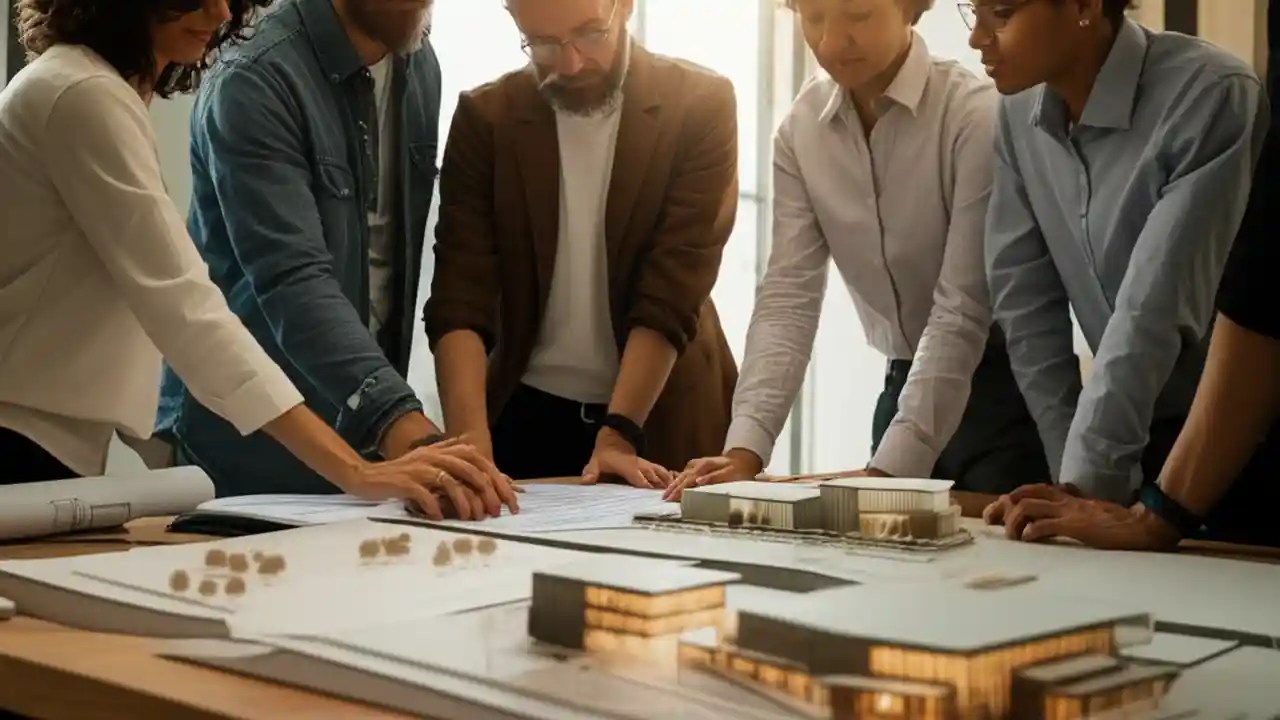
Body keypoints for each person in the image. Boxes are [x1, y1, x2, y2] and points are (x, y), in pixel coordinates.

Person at [0, 0, 515, 520]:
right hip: (22, 439)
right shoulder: (84, 95)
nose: (222, 11)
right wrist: (359, 468)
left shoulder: (88, 87)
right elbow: (189, 311)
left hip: (48, 442)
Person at [666, 0, 1048, 501]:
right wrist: (744, 452)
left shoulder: (974, 115)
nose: (829, 43)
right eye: (813, 18)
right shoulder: (802, 130)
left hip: (1006, 395)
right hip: (901, 382)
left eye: (858, 16)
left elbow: (962, 309)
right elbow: (788, 298)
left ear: (911, 8)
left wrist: (887, 475)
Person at [980, 0, 1280, 549]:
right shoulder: (1015, 115)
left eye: (1000, 12)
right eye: (970, 11)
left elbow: (1154, 307)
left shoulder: (1212, 93)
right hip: (1126, 443)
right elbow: (1025, 306)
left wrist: (1088, 480)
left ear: (1085, 6)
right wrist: (1070, 482)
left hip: (1237, 445)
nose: (977, 37)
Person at [153, 0, 481, 502]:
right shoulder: (255, 77)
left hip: (370, 448)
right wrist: (403, 425)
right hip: (249, 454)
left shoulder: (419, 64)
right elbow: (294, 282)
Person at [424, 0, 740, 488]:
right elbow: (460, 298)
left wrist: (618, 432)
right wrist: (469, 442)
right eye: (544, 44)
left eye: (591, 33)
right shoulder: (486, 119)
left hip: (663, 415)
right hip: (525, 415)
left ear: (626, 6)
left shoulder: (700, 106)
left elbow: (673, 290)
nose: (570, 63)